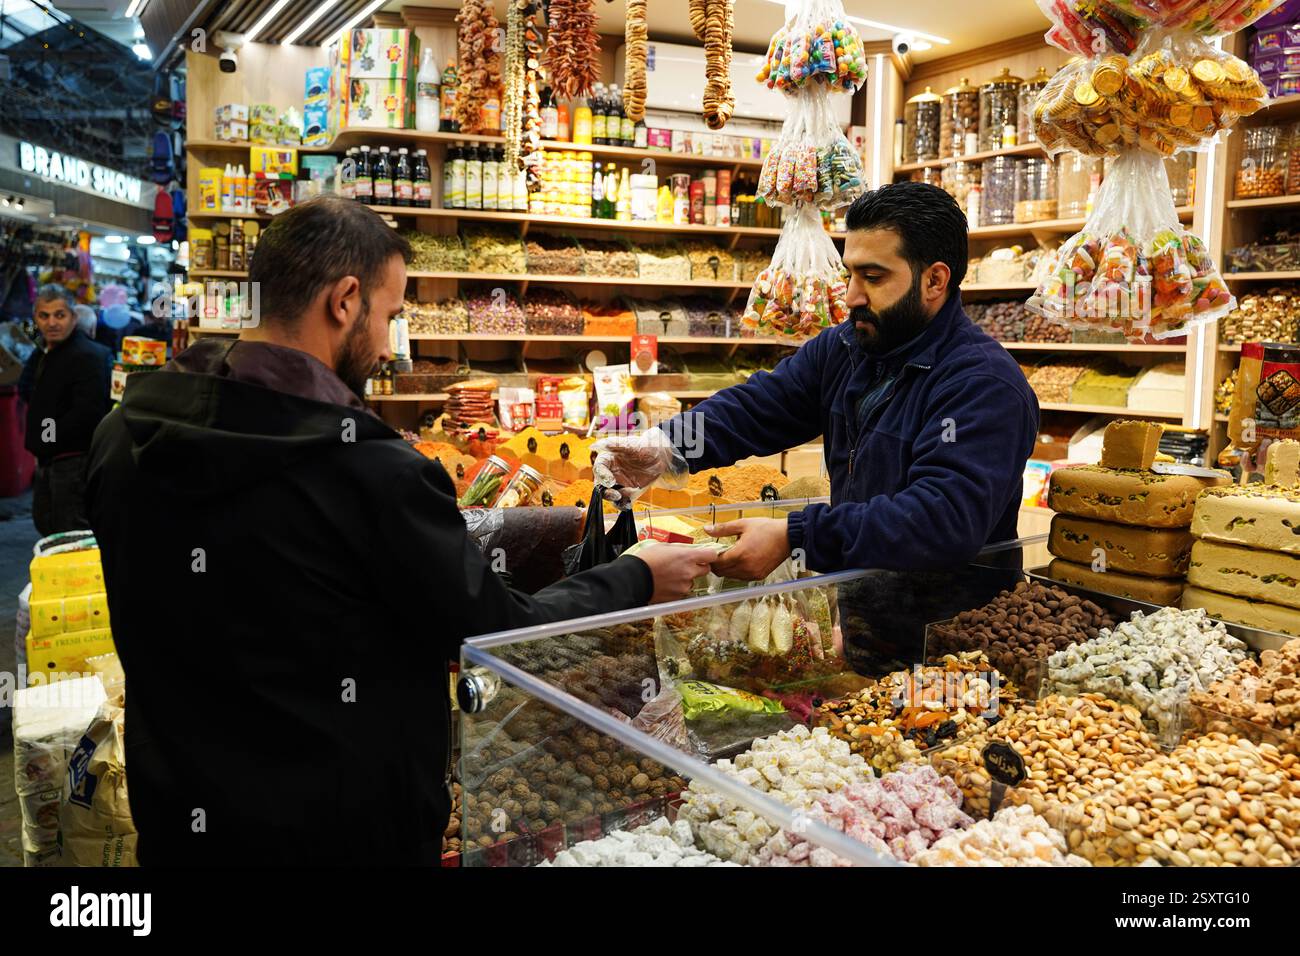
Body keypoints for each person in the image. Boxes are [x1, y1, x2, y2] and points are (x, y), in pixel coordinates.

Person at [86, 197, 716, 866]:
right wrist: (638, 573)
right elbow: (496, 632)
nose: (387, 347)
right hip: (345, 839)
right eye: (389, 316)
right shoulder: (368, 470)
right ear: (345, 301)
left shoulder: (123, 437)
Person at [596, 182, 1039, 580]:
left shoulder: (982, 384)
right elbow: (760, 407)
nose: (851, 296)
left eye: (873, 277)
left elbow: (941, 520)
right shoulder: (847, 348)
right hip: (868, 611)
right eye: (850, 274)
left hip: (955, 639)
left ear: (935, 280)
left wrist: (797, 536)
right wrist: (665, 446)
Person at [18, 284, 112, 536]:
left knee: (70, 532)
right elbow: (28, 388)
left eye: (59, 315)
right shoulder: (44, 351)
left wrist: (49, 440)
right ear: (36, 318)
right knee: (47, 524)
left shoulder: (87, 355)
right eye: (44, 316)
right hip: (48, 458)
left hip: (72, 461)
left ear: (73, 317)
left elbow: (87, 413)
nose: (52, 323)